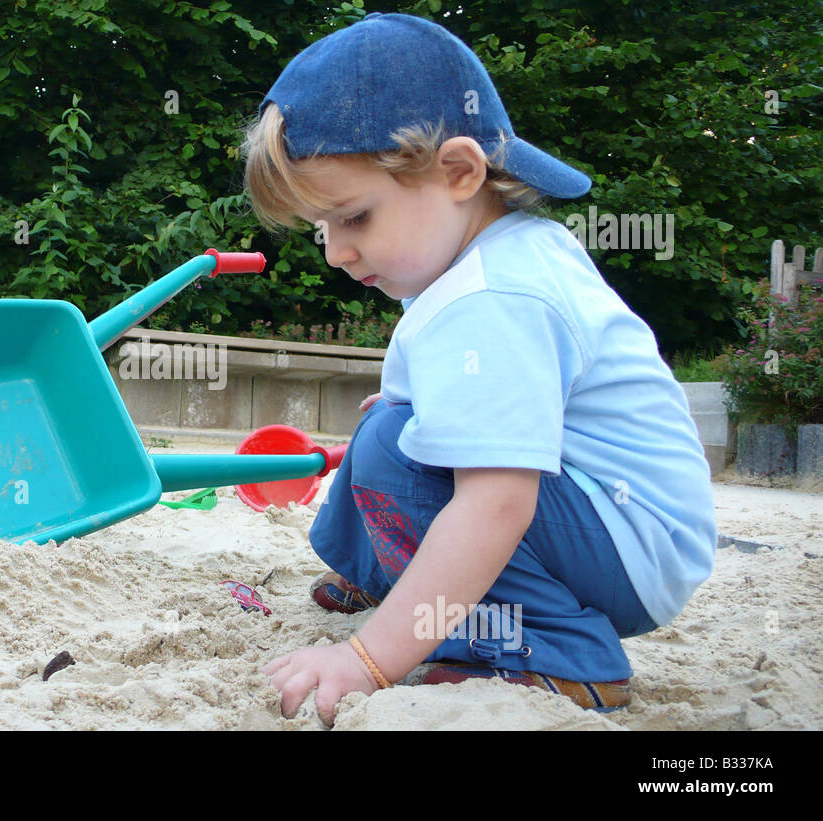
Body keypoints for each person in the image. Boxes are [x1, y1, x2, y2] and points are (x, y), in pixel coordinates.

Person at [237, 12, 717, 725]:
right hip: (605, 523)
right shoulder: (472, 265)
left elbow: (498, 503)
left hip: (629, 544)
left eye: (355, 218)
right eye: (323, 227)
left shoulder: (497, 294)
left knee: (400, 456)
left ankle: (557, 647)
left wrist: (368, 659)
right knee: (386, 435)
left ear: (460, 172)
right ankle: (385, 576)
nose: (335, 251)